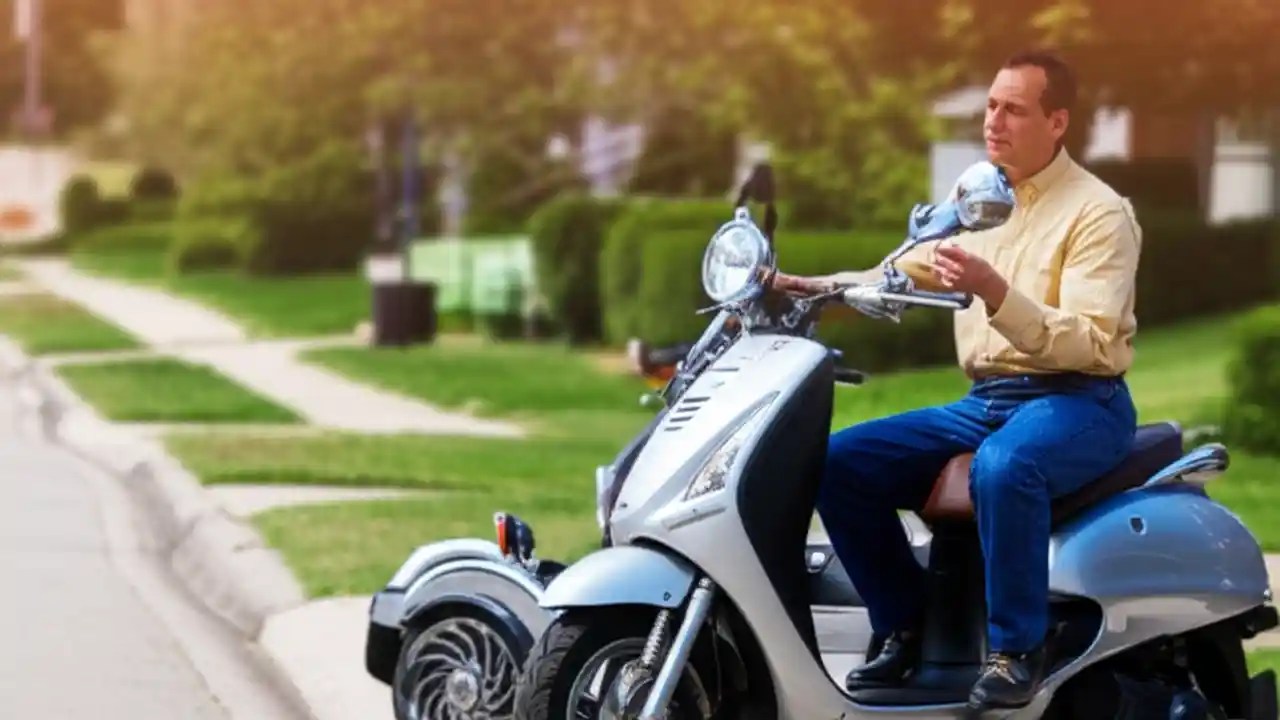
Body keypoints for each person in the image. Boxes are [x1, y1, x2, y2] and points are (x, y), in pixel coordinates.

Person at [772, 50, 1142, 711]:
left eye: (1014, 109)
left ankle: (1015, 651)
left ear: (1057, 122)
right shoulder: (978, 194)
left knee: (1003, 468)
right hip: (988, 399)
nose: (994, 122)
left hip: (1080, 398)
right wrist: (817, 287)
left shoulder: (1099, 213)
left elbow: (1088, 341)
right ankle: (906, 627)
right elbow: (902, 271)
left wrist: (994, 291)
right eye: (991, 107)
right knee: (837, 462)